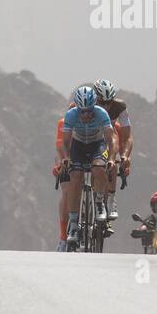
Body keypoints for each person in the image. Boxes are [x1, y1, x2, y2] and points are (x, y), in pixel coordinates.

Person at [58, 85, 117, 247]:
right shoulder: (71, 115)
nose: (86, 115)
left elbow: (111, 140)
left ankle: (99, 202)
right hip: (78, 146)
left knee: (98, 168)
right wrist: (66, 158)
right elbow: (65, 142)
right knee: (75, 177)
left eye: (89, 110)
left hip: (97, 145)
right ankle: (74, 226)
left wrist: (111, 158)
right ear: (77, 108)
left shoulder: (101, 113)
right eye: (82, 111)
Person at [93, 78, 132, 220]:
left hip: (109, 137)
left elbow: (127, 136)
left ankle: (111, 197)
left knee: (112, 161)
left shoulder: (119, 107)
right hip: (90, 137)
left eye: (109, 102)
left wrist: (125, 156)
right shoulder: (87, 105)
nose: (107, 106)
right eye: (102, 102)